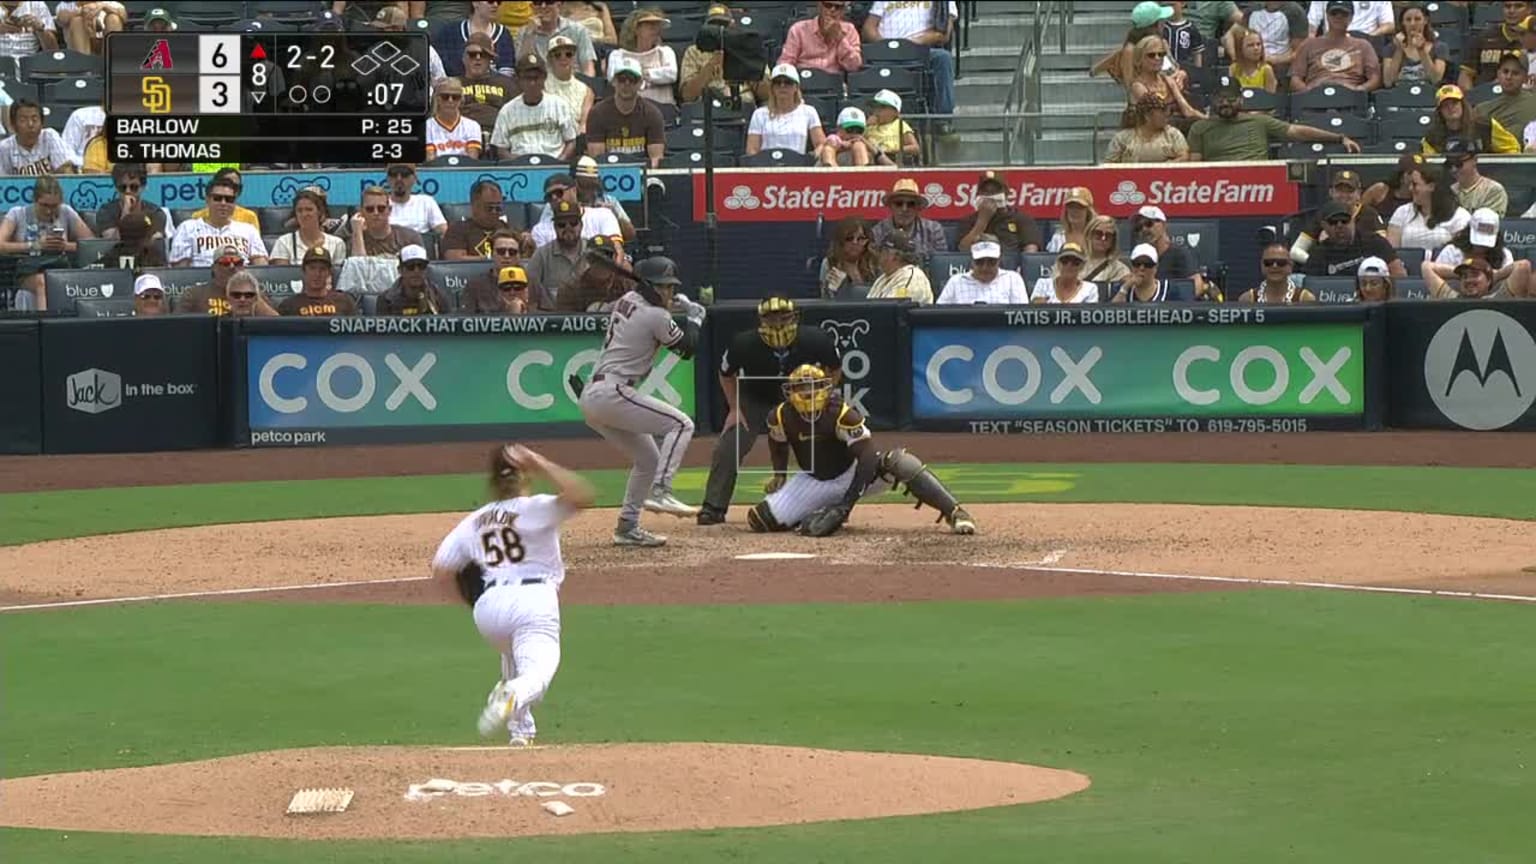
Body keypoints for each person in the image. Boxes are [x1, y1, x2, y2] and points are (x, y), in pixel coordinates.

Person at [433, 443, 595, 746]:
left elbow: (442, 569)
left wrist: (474, 604)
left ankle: (521, 734)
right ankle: (513, 693)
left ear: (493, 480)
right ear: (525, 477)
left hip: (489, 609)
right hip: (533, 601)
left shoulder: (474, 520)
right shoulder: (534, 508)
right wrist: (541, 461)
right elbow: (583, 495)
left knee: (512, 654)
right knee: (537, 674)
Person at [754, 363, 976, 537]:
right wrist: (779, 475)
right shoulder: (781, 416)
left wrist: (846, 505)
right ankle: (819, 509)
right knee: (760, 519)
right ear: (790, 391)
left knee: (899, 461)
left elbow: (868, 457)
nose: (808, 393)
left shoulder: (842, 414)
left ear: (825, 388)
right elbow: (778, 444)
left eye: (813, 386)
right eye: (801, 387)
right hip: (814, 480)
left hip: (853, 473)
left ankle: (956, 512)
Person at [577, 256, 708, 547]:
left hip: (595, 396)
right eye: (663, 287)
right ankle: (662, 490)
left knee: (648, 459)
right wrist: (695, 319)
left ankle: (627, 526)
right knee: (682, 424)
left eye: (671, 287)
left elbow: (655, 314)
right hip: (613, 392)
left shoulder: (628, 299)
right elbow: (687, 349)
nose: (668, 292)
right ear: (648, 286)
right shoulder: (655, 316)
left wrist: (675, 306)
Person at [698, 297, 842, 525]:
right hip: (755, 398)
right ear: (760, 320)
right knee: (729, 446)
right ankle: (713, 506)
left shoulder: (816, 339)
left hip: (800, 398)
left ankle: (833, 505)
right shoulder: (743, 343)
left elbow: (834, 368)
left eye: (784, 317)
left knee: (825, 441)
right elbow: (726, 373)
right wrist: (735, 408)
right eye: (771, 318)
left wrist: (823, 395)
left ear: (795, 317)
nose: (778, 323)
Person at [1188, 80, 1361, 160]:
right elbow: (1193, 167)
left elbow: (1297, 132)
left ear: (1241, 99)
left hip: (1257, 185)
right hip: (1219, 187)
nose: (1225, 103)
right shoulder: (1200, 128)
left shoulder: (1260, 121)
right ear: (1212, 100)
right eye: (1220, 98)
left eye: (1231, 98)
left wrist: (1339, 137)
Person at [862, 0, 957, 134]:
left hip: (920, 51)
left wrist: (912, 44)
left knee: (942, 58)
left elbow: (944, 33)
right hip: (886, 53)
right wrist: (887, 47)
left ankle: (942, 120)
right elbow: (868, 28)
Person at [0, 175, 91, 310]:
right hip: (28, 271)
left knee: (56, 280)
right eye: (44, 205)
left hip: (61, 268)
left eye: (54, 206)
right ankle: (46, 324)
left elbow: (92, 244)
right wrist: (36, 245)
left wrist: (66, 246)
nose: (49, 211)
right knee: (43, 282)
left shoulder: (66, 212)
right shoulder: (17, 214)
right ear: (35, 200)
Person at [678, 3, 769, 108]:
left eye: (724, 25)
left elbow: (767, 94)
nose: (719, 30)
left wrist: (748, 68)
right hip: (706, 106)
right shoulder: (694, 51)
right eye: (714, 25)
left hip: (743, 103)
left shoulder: (746, 48)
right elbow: (687, 96)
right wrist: (710, 66)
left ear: (733, 25)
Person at [491, 52, 578, 160]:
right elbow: (501, 148)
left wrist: (560, 161)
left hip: (554, 165)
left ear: (544, 78)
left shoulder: (559, 106)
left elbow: (571, 141)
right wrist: (516, 163)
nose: (532, 83)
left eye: (536, 78)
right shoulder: (507, 111)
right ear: (518, 80)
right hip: (521, 169)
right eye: (527, 78)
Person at [585, 55, 666, 166]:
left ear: (640, 83)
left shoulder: (652, 114)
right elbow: (597, 160)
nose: (626, 84)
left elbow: (656, 159)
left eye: (632, 79)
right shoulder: (597, 113)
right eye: (622, 79)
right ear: (614, 81)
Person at [170, 177, 267, 267]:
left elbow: (261, 266)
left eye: (229, 199)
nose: (223, 203)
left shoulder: (248, 230)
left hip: (238, 282)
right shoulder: (187, 228)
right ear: (207, 200)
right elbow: (180, 270)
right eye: (217, 198)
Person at [1290, 0, 1382, 93]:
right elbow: (1295, 77)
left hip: (1351, 96)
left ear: (1351, 17)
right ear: (1327, 15)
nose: (1338, 17)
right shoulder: (1309, 44)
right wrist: (1307, 92)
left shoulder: (1363, 45)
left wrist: (1359, 90)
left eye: (1344, 14)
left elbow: (1375, 77)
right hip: (1315, 95)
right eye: (1334, 13)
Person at [1300, 199, 1404, 277]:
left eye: (1345, 220)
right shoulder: (1318, 254)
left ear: (1353, 220)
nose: (1340, 226)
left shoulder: (1375, 242)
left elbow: (1399, 274)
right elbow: (1310, 290)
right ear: (1324, 226)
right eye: (1333, 222)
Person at [1387, 163, 1471, 255]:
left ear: (1431, 186)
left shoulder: (1460, 216)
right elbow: (1391, 252)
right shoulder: (1402, 212)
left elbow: (1461, 254)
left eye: (1415, 184)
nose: (1410, 188)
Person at [745, 64, 826, 156]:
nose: (782, 86)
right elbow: (752, 149)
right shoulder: (759, 114)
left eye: (788, 82)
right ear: (772, 88)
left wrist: (813, 156)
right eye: (777, 82)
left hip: (797, 165)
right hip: (767, 166)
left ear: (796, 87)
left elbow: (821, 143)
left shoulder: (809, 112)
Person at [956, 170, 1042, 254]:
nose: (991, 196)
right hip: (979, 265)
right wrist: (982, 221)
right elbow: (963, 250)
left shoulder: (1021, 219)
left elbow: (1031, 251)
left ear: (1006, 194)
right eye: (986, 192)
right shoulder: (968, 221)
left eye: (995, 191)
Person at [607, 7, 677, 106]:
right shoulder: (617, 55)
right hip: (628, 109)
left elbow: (671, 74)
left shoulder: (665, 52)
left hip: (663, 108)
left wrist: (643, 74)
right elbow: (613, 77)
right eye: (650, 26)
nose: (656, 30)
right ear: (636, 29)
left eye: (658, 27)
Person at [1423, 84, 1521, 155]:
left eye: (1454, 103)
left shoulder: (1486, 125)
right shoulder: (1431, 138)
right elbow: (1431, 168)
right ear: (1439, 111)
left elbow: (1512, 148)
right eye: (1445, 105)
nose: (1451, 108)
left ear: (1463, 105)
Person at [936, 235, 1030, 304]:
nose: (985, 267)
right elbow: (939, 316)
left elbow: (1021, 317)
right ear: (972, 261)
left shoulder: (1013, 279)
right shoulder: (956, 282)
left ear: (999, 260)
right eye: (980, 262)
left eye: (991, 262)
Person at [1458, 0, 1531, 89]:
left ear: (1529, 9)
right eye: (1507, 6)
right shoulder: (1484, 37)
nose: (1511, 11)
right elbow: (1466, 75)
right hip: (1486, 98)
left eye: (1518, 6)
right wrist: (1472, 98)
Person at [869, 177, 947, 259]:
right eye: (899, 204)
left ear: (918, 208)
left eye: (911, 204)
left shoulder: (934, 230)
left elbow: (941, 263)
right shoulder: (878, 232)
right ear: (891, 206)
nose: (904, 209)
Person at [778, 0, 863, 75]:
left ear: (843, 10)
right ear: (819, 6)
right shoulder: (798, 30)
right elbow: (785, 63)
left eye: (838, 7)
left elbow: (854, 66)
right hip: (804, 81)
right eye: (828, 5)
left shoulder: (850, 30)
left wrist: (840, 38)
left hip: (834, 84)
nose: (832, 10)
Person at [459, 34, 521, 134]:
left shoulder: (507, 84)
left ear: (490, 60)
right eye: (472, 54)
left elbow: (518, 116)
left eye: (483, 55)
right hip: (461, 136)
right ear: (464, 58)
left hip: (498, 135)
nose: (478, 58)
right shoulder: (452, 85)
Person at [269, 187, 346, 266]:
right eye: (300, 210)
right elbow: (281, 276)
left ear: (319, 212)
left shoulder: (337, 243)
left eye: (309, 209)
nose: (304, 214)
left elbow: (338, 275)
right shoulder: (284, 242)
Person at [1106, 93, 1190, 163]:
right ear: (1147, 116)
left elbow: (1184, 156)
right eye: (1161, 112)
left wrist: (1164, 167)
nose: (1166, 115)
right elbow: (1110, 163)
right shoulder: (1122, 138)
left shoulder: (1173, 134)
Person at [0, 99, 77, 175]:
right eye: (23, 120)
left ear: (42, 123)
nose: (30, 124)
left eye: (35, 119)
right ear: (13, 125)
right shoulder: (4, 148)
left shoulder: (50, 136)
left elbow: (67, 169)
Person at [277, 246, 358, 317]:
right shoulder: (289, 305)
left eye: (322, 269)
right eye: (312, 268)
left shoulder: (345, 301)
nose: (317, 274)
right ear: (304, 271)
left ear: (329, 273)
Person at [351, 185, 425, 258]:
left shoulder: (410, 238)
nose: (376, 213)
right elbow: (357, 268)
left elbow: (420, 268)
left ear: (389, 210)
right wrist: (357, 232)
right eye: (370, 209)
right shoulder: (355, 240)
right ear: (361, 212)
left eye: (381, 208)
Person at [377, 245, 453, 315]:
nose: (416, 271)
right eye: (410, 266)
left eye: (421, 266)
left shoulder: (439, 296)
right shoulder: (386, 300)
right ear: (400, 270)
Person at [1383, 3, 1446, 87]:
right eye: (1408, 20)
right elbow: (1388, 82)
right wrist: (1399, 50)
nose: (1412, 23)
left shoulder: (1439, 47)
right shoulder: (1391, 48)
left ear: (1425, 20)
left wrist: (1421, 50)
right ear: (1403, 23)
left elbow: (1435, 80)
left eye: (1417, 19)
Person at [818, 217, 879, 299]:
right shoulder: (830, 262)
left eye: (861, 238)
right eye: (849, 238)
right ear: (841, 241)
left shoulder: (874, 262)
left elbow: (881, 293)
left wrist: (848, 289)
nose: (855, 242)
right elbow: (828, 297)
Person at [426, 77, 485, 161]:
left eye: (455, 97)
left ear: (461, 100)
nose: (450, 100)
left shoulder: (472, 126)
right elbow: (430, 160)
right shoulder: (426, 127)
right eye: (445, 97)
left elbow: (472, 160)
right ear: (437, 99)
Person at [544, 34, 593, 135]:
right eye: (558, 55)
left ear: (574, 58)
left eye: (568, 54)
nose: (563, 58)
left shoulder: (586, 91)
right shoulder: (542, 86)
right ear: (549, 60)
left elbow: (584, 124)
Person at [1236, 242, 1316, 303]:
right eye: (1269, 262)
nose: (1274, 266)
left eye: (1281, 262)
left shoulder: (1305, 298)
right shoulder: (1247, 299)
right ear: (1262, 266)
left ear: (1290, 266)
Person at [867, 230, 934, 303]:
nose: (879, 255)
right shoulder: (883, 278)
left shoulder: (912, 278)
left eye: (882, 251)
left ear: (896, 256)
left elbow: (891, 309)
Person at [1446, 147, 1509, 215]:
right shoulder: (1448, 192)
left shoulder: (1493, 190)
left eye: (1458, 164)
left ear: (1474, 160)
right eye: (1449, 164)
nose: (1453, 170)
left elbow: (1489, 223)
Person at [1030, 242, 1098, 304]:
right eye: (1064, 261)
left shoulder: (1090, 289)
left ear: (1082, 266)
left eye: (1075, 263)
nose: (1069, 266)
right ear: (1058, 264)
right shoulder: (1043, 284)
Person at [864, 89, 919, 164]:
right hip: (873, 160)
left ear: (895, 112)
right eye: (875, 107)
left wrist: (894, 150)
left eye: (882, 107)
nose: (877, 110)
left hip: (893, 158)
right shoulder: (869, 127)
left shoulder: (900, 124)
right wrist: (866, 125)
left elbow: (915, 148)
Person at [1082, 215, 1131, 296]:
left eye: (1108, 235)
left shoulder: (1120, 270)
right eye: (1098, 233)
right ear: (1089, 235)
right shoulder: (1073, 262)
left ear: (1113, 240)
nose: (1103, 238)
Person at [1111, 243, 1176, 302]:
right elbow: (1112, 312)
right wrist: (1125, 288)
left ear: (1155, 267)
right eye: (1137, 264)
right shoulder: (1121, 287)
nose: (1141, 268)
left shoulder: (1168, 290)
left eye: (1147, 264)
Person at [1045, 187, 1096, 254]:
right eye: (1071, 207)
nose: (1074, 211)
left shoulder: (1096, 235)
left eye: (1080, 207)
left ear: (1088, 211)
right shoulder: (1058, 237)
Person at [1229, 25, 1278, 92]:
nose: (1256, 48)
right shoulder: (1233, 69)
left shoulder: (1266, 70)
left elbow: (1270, 98)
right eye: (1250, 45)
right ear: (1240, 49)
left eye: (1258, 44)